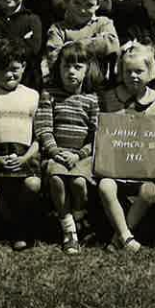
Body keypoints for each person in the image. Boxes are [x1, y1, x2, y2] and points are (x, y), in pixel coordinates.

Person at [34, 41, 103, 254]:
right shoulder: (50, 94)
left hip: (81, 157)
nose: (71, 72)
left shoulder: (91, 99)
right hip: (56, 154)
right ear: (59, 68)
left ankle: (79, 217)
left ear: (87, 70)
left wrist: (79, 154)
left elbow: (95, 135)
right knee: (56, 178)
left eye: (78, 67)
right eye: (66, 66)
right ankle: (69, 229)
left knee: (79, 183)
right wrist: (56, 152)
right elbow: (44, 128)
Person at [0, 39, 43, 251]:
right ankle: (9, 226)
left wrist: (26, 157)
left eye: (14, 69)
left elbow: (40, 136)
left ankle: (18, 227)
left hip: (25, 153)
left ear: (23, 66)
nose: (8, 75)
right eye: (1, 70)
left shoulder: (32, 95)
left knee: (33, 184)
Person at [96, 44, 155, 252]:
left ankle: (118, 237)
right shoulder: (109, 97)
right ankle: (126, 237)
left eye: (139, 71)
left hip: (143, 168)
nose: (133, 76)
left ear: (150, 72)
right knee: (106, 186)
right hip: (114, 166)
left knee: (149, 191)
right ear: (120, 72)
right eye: (128, 71)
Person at [42, 0, 120, 83]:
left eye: (89, 5)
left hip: (99, 87)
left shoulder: (103, 23)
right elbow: (54, 59)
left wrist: (70, 46)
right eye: (77, 3)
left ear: (98, 4)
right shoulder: (58, 29)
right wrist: (96, 43)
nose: (82, 10)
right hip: (65, 87)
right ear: (66, 0)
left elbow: (112, 45)